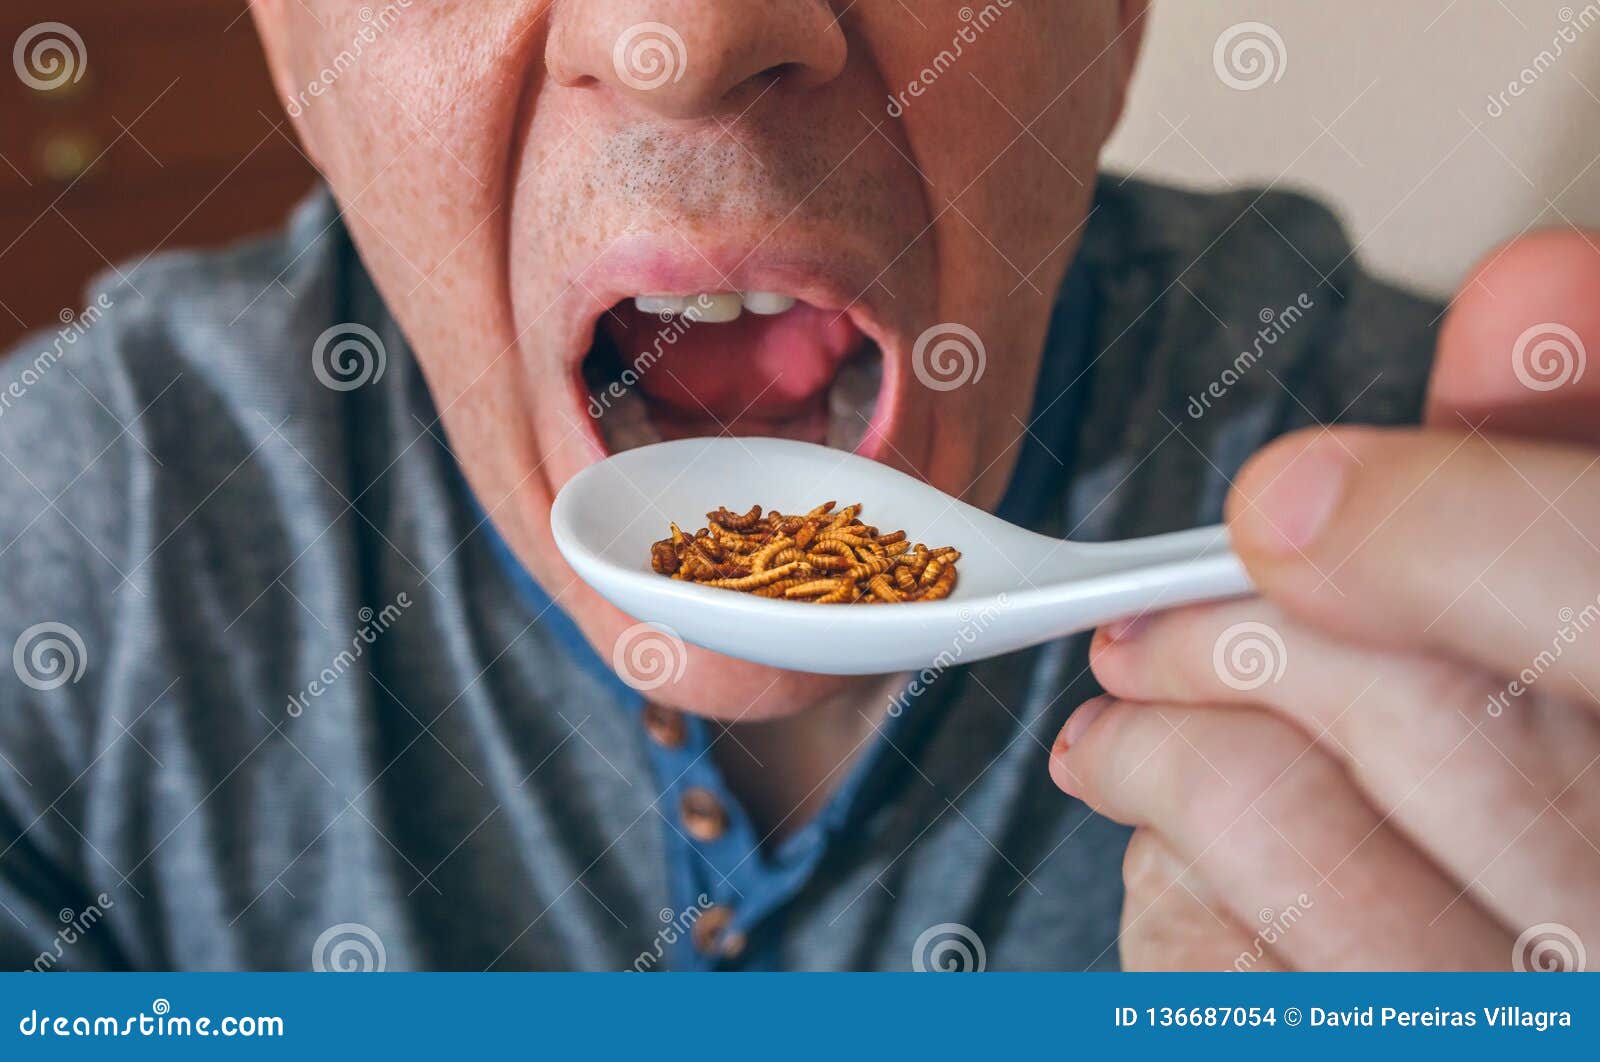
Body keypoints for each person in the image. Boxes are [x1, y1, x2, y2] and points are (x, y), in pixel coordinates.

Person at [0, 1, 1593, 972]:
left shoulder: (1441, 510)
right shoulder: (77, 551)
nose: (685, 38)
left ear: (1114, 21)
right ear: (298, 48)